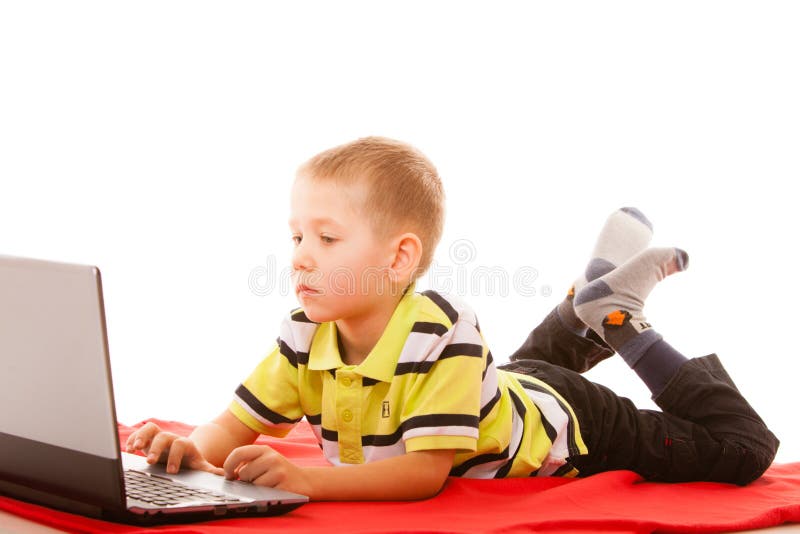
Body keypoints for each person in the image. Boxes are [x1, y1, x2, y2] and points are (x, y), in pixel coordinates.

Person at [127, 137, 779, 500]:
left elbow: (420, 472)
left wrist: (307, 479)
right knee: (526, 370)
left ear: (399, 257)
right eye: (295, 236)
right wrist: (193, 451)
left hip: (572, 425)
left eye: (325, 239)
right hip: (508, 388)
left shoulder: (443, 330)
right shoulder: (305, 332)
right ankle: (590, 291)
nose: (299, 258)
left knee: (744, 448)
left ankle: (618, 321)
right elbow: (231, 423)